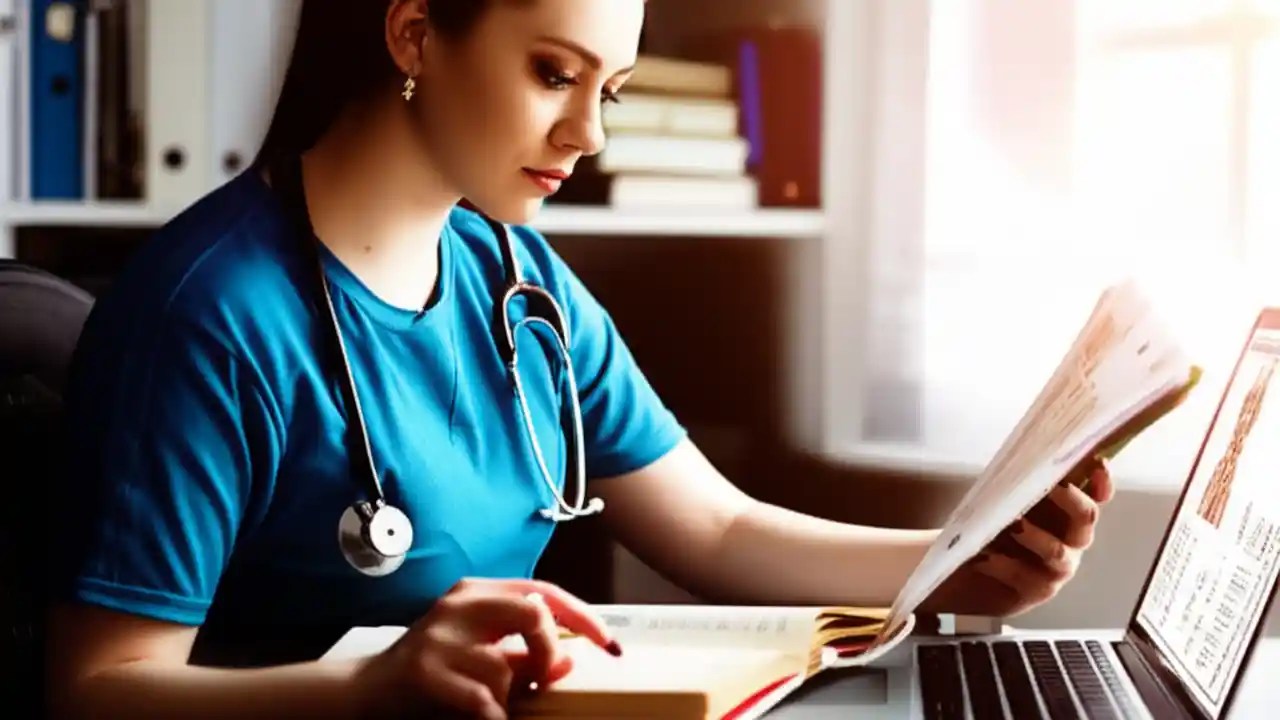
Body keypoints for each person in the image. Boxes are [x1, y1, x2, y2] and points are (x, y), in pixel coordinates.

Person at [43, 1, 1115, 719]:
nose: (586, 134)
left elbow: (714, 527)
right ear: (414, 36)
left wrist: (949, 563)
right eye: (555, 73)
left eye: (610, 89)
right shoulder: (209, 317)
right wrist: (372, 687)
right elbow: (98, 685)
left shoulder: (519, 282)